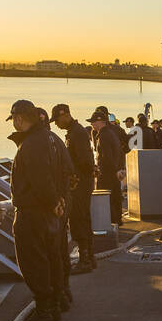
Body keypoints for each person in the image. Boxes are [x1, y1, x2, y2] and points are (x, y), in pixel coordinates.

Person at [7, 99, 64, 321]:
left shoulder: (31, 145)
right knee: (50, 258)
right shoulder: (47, 139)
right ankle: (54, 305)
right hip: (47, 211)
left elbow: (40, 179)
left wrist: (52, 201)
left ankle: (43, 312)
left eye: (14, 120)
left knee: (33, 262)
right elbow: (55, 173)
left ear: (19, 119)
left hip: (32, 213)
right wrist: (57, 200)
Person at [51, 103, 96, 273]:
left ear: (66, 115)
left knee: (78, 220)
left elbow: (84, 161)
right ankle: (90, 257)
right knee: (83, 218)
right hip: (83, 182)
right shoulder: (76, 132)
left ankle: (85, 260)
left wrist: (74, 176)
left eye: (57, 120)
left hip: (80, 185)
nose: (56, 124)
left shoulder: (76, 134)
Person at [36, 108, 74, 311]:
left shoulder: (41, 144)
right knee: (60, 250)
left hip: (52, 207)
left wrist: (53, 202)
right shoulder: (56, 141)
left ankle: (55, 298)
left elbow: (43, 179)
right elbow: (69, 169)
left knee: (51, 253)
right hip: (62, 202)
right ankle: (63, 292)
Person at [88, 107, 124, 224]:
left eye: (94, 122)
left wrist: (99, 170)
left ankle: (108, 224)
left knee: (106, 200)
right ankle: (116, 222)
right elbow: (119, 152)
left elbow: (107, 157)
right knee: (114, 198)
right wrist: (119, 169)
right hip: (113, 173)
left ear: (101, 122)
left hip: (106, 174)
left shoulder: (103, 136)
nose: (92, 124)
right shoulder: (111, 133)